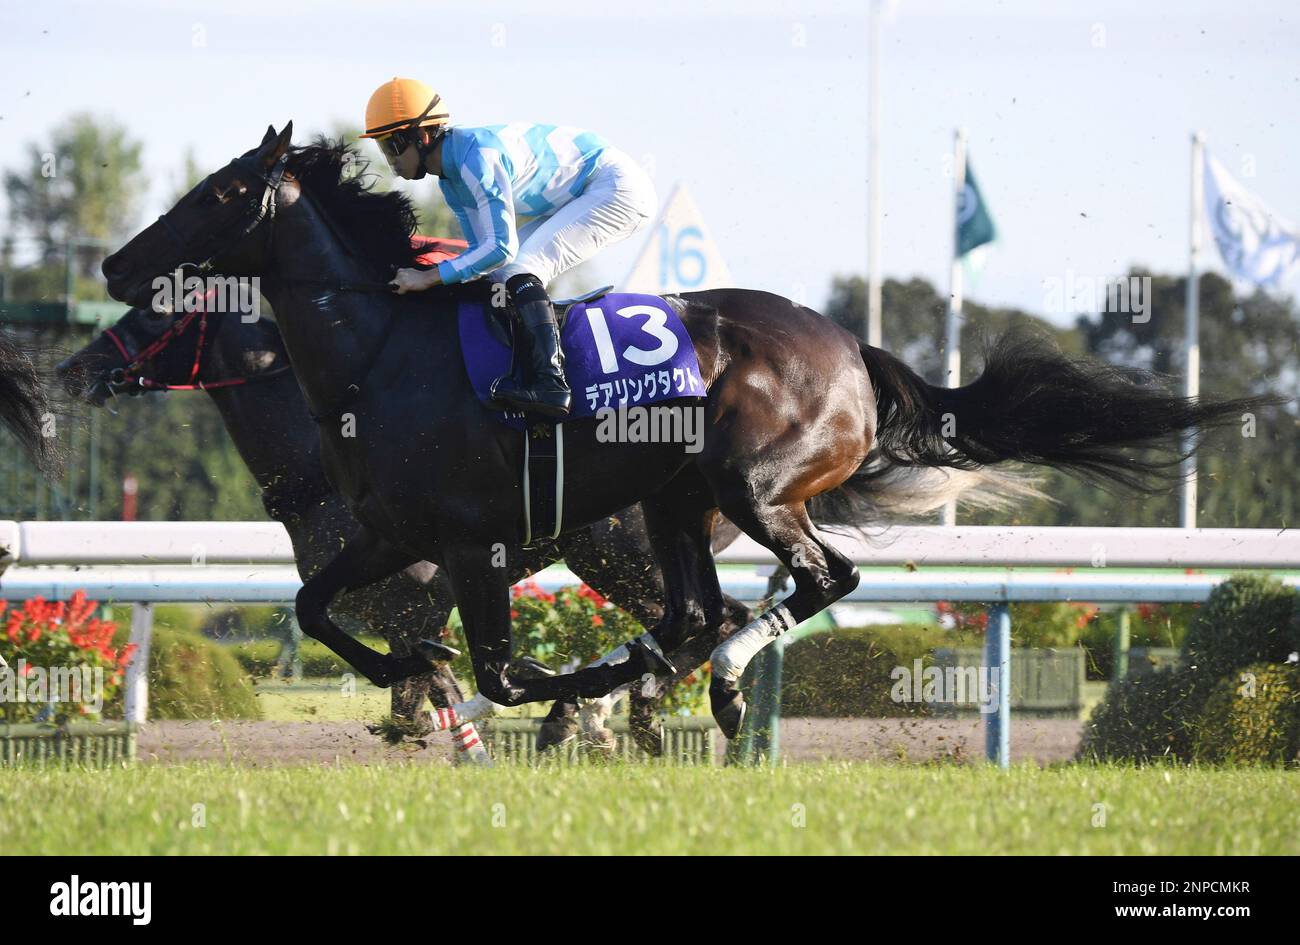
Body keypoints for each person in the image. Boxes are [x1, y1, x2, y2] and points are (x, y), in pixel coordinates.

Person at [361, 77, 658, 418]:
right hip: (583, 190)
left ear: (422, 137)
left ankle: (550, 382)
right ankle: (524, 364)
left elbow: (501, 247)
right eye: (384, 148)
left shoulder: (477, 159)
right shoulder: (451, 182)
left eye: (393, 145)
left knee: (519, 267)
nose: (390, 160)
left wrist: (427, 278)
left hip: (616, 187)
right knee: (505, 273)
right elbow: (482, 258)